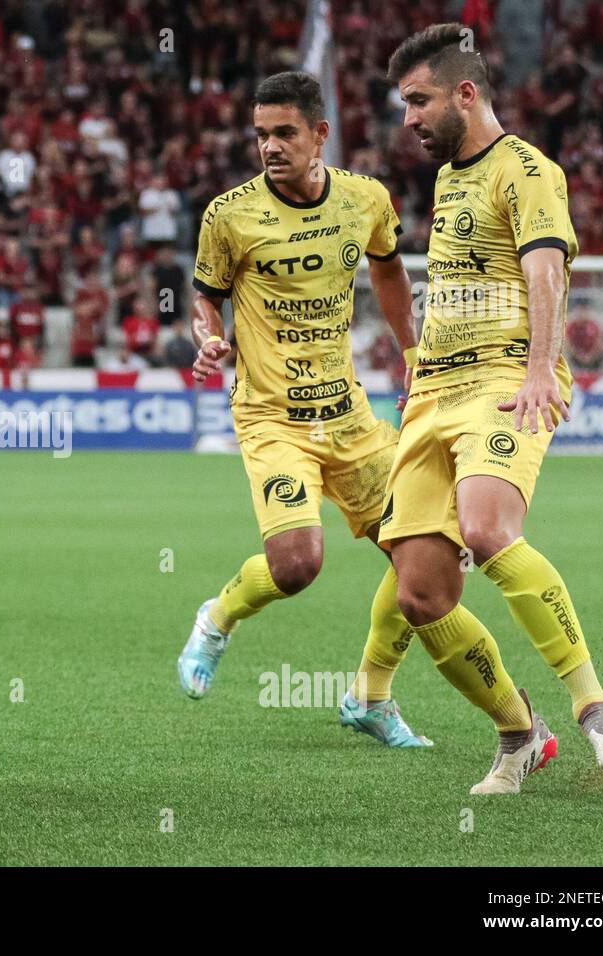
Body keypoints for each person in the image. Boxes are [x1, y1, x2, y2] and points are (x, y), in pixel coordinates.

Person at [383, 23, 603, 794]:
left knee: (490, 528)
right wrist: (418, 370)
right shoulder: (449, 176)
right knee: (420, 592)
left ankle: (597, 706)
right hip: (434, 392)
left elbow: (546, 271)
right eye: (404, 104)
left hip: (502, 380)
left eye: (419, 100)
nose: (409, 119)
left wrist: (538, 370)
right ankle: (522, 734)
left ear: (467, 92)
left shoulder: (527, 169)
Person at [179, 71, 431, 749]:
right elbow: (203, 297)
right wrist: (207, 335)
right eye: (261, 134)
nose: (269, 146)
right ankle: (218, 616)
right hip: (271, 416)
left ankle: (371, 697)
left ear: (320, 134)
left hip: (349, 418)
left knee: (427, 561)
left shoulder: (365, 200)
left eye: (285, 132)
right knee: (297, 563)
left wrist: (413, 357)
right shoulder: (228, 215)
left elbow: (387, 270)